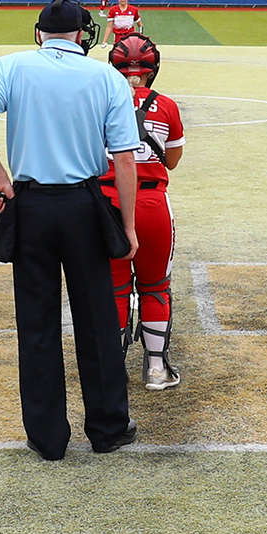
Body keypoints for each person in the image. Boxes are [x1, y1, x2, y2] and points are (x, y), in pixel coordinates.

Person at [0, 0, 143, 460]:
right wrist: (127, 227)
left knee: (37, 325)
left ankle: (47, 439)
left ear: (40, 32)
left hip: (32, 207)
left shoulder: (12, 66)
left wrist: (1, 181)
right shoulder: (106, 76)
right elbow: (124, 157)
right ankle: (107, 429)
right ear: (84, 35)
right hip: (84, 207)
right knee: (97, 322)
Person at [101, 35, 184, 391]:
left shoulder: (98, 103)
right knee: (155, 287)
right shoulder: (166, 105)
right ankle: (155, 369)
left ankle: (110, 369)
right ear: (154, 67)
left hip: (107, 204)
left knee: (115, 290)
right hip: (152, 204)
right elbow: (173, 160)